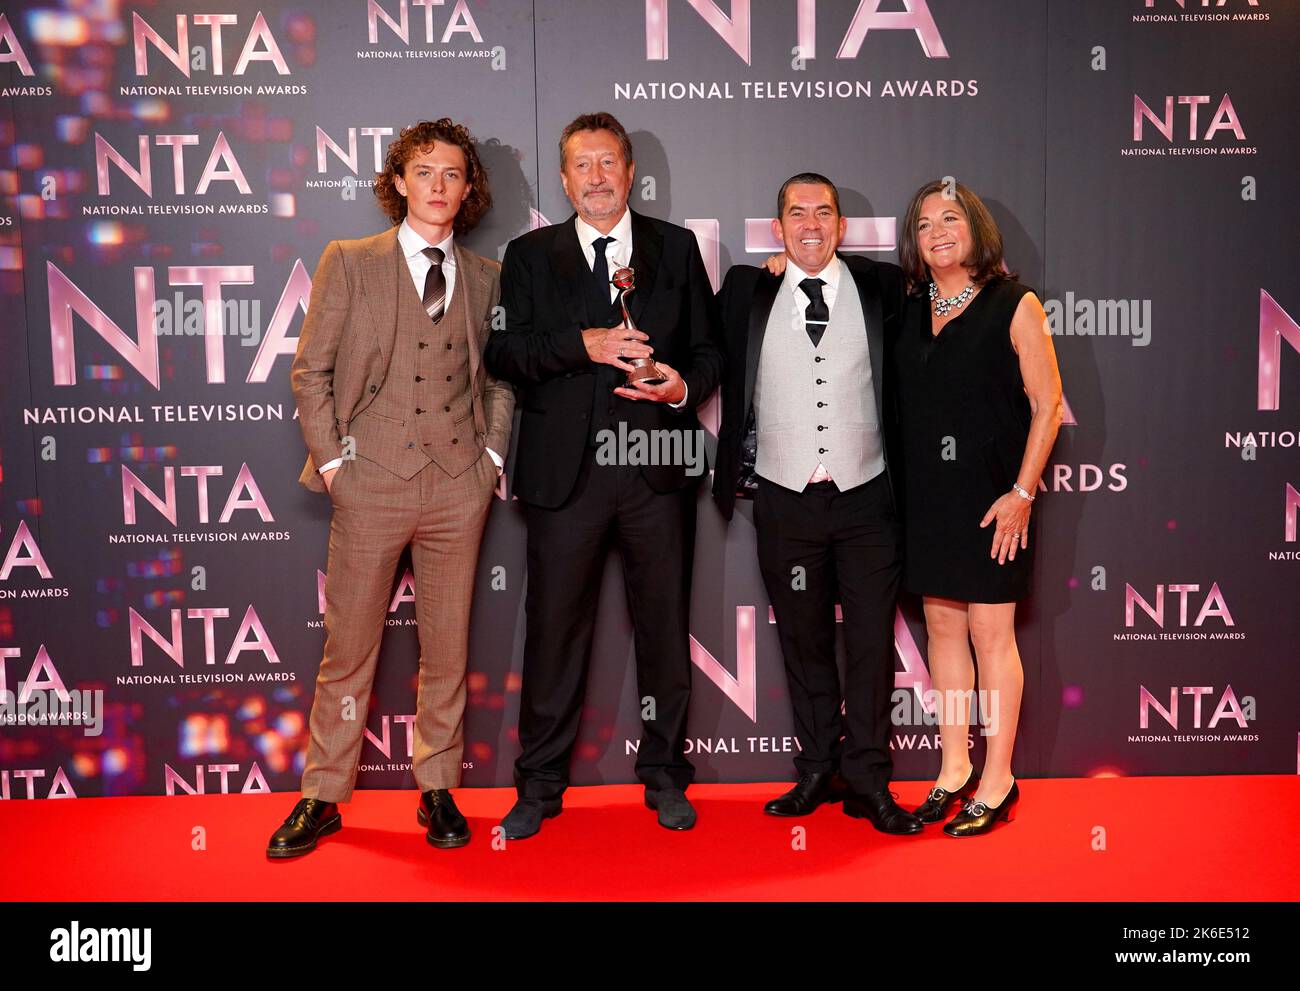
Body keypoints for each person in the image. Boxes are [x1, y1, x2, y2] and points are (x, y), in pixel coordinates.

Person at [268, 119, 514, 857]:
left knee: (447, 644)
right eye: (425, 171)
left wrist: (491, 462)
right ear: (399, 181)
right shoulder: (349, 261)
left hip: (458, 484)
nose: (439, 186)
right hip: (369, 479)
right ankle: (322, 792)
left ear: (468, 190)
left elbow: (498, 380)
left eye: (453, 175)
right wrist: (338, 468)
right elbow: (310, 372)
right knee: (349, 647)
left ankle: (437, 784)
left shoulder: (486, 277)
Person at [484, 111, 723, 838]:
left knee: (663, 629)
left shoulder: (676, 250)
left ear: (629, 172)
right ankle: (540, 781)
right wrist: (579, 344)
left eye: (608, 162)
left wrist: (680, 387)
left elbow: (712, 352)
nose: (596, 176)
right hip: (567, 480)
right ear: (564, 178)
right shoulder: (528, 256)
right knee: (554, 633)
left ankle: (665, 774)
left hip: (656, 472)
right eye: (582, 165)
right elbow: (503, 355)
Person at [713, 173, 921, 835]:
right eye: (796, 213)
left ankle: (867, 780)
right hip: (784, 495)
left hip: (868, 498)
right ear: (777, 228)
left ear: (841, 224)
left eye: (823, 212)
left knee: (867, 644)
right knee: (803, 642)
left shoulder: (883, 287)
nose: (810, 223)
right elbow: (697, 353)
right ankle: (814, 767)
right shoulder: (747, 289)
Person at [893, 180, 1062, 836]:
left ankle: (999, 777)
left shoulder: (1013, 303)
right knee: (941, 631)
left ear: (976, 228)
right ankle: (954, 767)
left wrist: (1021, 495)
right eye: (924, 221)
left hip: (994, 498)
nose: (937, 230)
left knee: (993, 636)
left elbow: (1048, 404)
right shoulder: (907, 306)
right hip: (927, 498)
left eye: (950, 217)